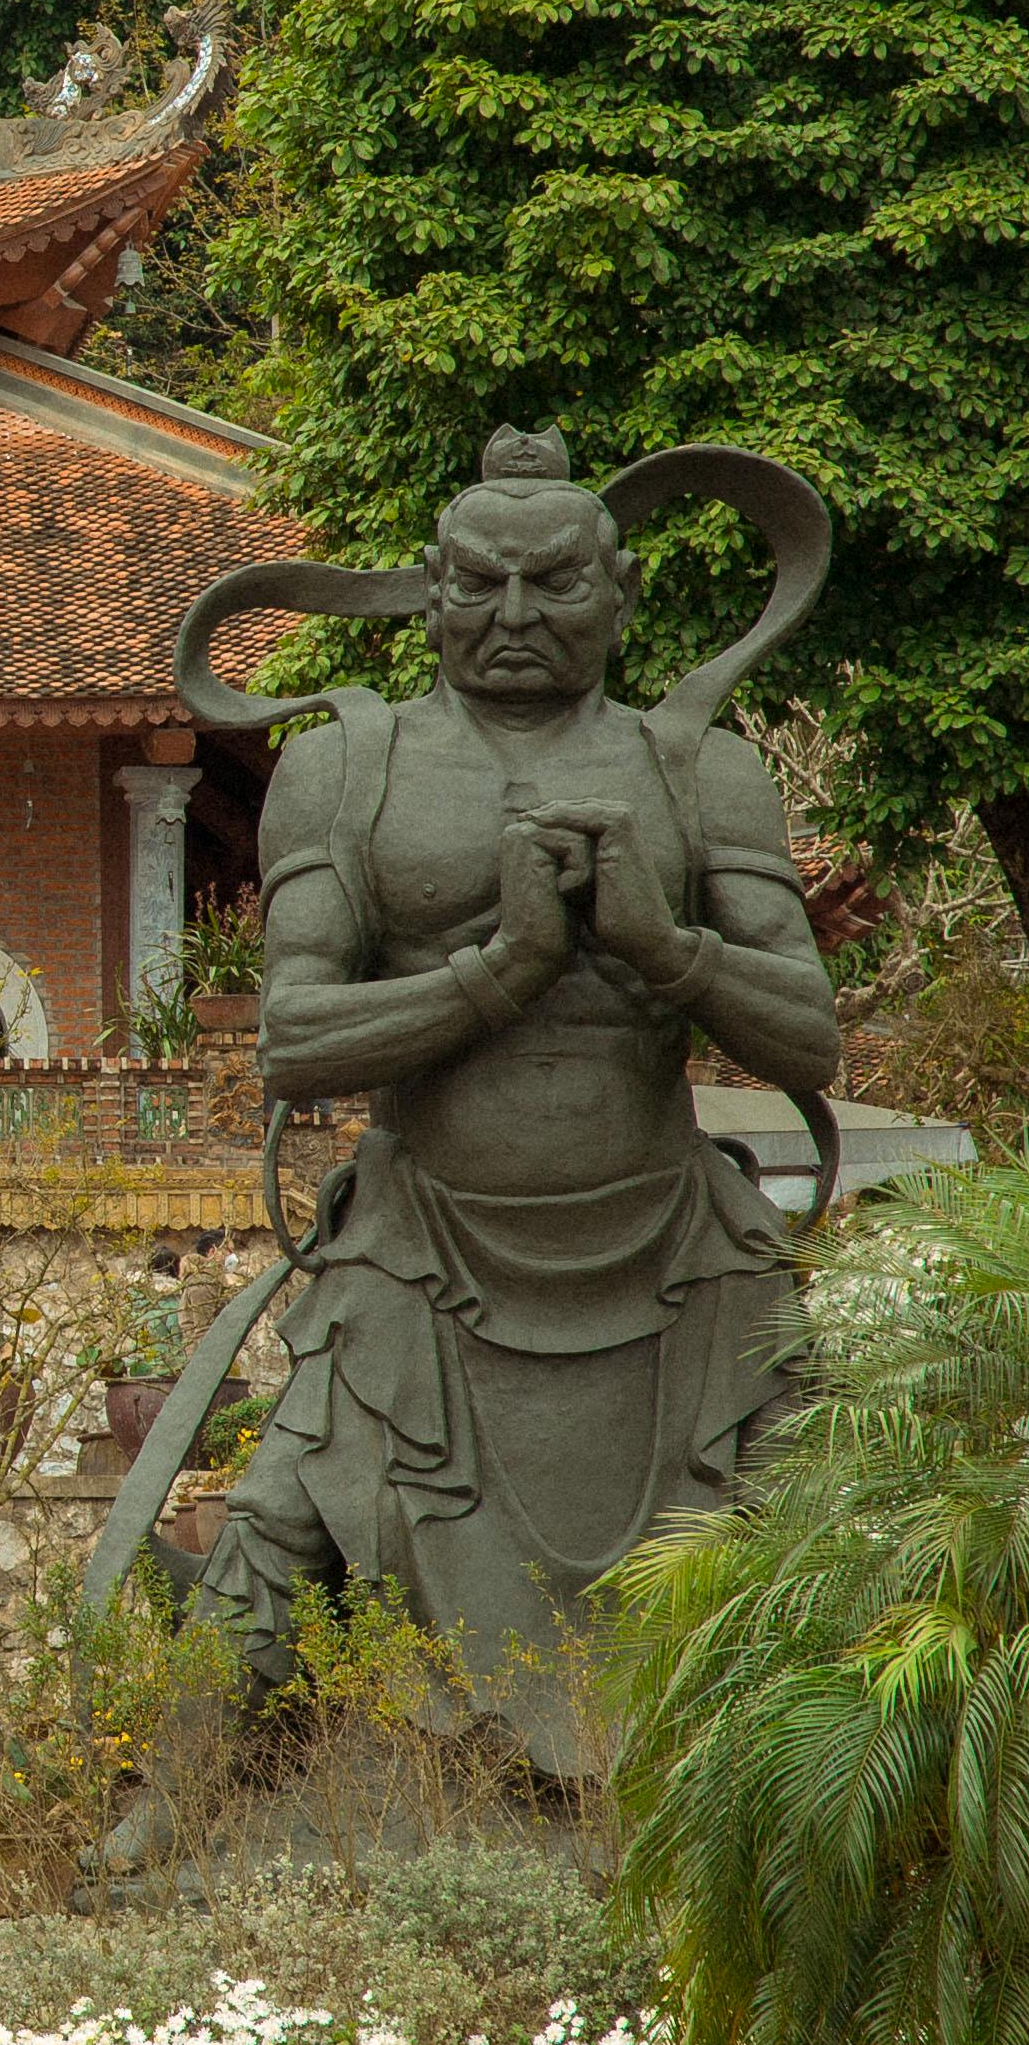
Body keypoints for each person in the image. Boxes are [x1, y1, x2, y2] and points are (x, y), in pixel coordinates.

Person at [191, 431, 845, 1783]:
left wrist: (662, 950)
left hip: (675, 1252)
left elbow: (809, 1040)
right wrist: (502, 973)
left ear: (623, 596)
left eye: (554, 587)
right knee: (272, 1534)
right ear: (429, 594)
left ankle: (824, 1829)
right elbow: (293, 1043)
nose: (512, 621)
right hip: (424, 1248)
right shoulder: (346, 769)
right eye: (479, 587)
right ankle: (160, 1810)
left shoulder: (700, 772)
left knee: (828, 1537)